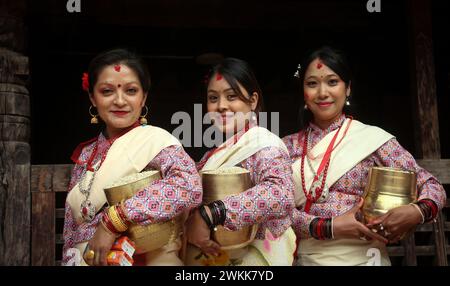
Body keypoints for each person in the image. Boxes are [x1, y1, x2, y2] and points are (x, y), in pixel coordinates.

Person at [283, 46, 447, 266]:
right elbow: (275, 214)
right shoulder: (286, 147)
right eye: (312, 83)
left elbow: (432, 186)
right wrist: (329, 226)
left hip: (366, 258)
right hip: (305, 258)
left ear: (348, 88)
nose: (322, 93)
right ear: (303, 91)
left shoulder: (373, 140)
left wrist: (417, 211)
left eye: (332, 82)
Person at [62, 48, 202, 266]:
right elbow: (73, 226)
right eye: (107, 91)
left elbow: (189, 187)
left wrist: (113, 221)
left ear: (143, 97)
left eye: (131, 91)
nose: (119, 100)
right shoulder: (88, 154)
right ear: (92, 97)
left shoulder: (157, 142)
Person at [185, 58, 296, 266]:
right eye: (213, 98)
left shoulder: (264, 143)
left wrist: (212, 213)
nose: (221, 106)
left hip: (255, 258)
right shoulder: (212, 155)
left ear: (252, 101)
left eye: (231, 96)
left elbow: (280, 194)